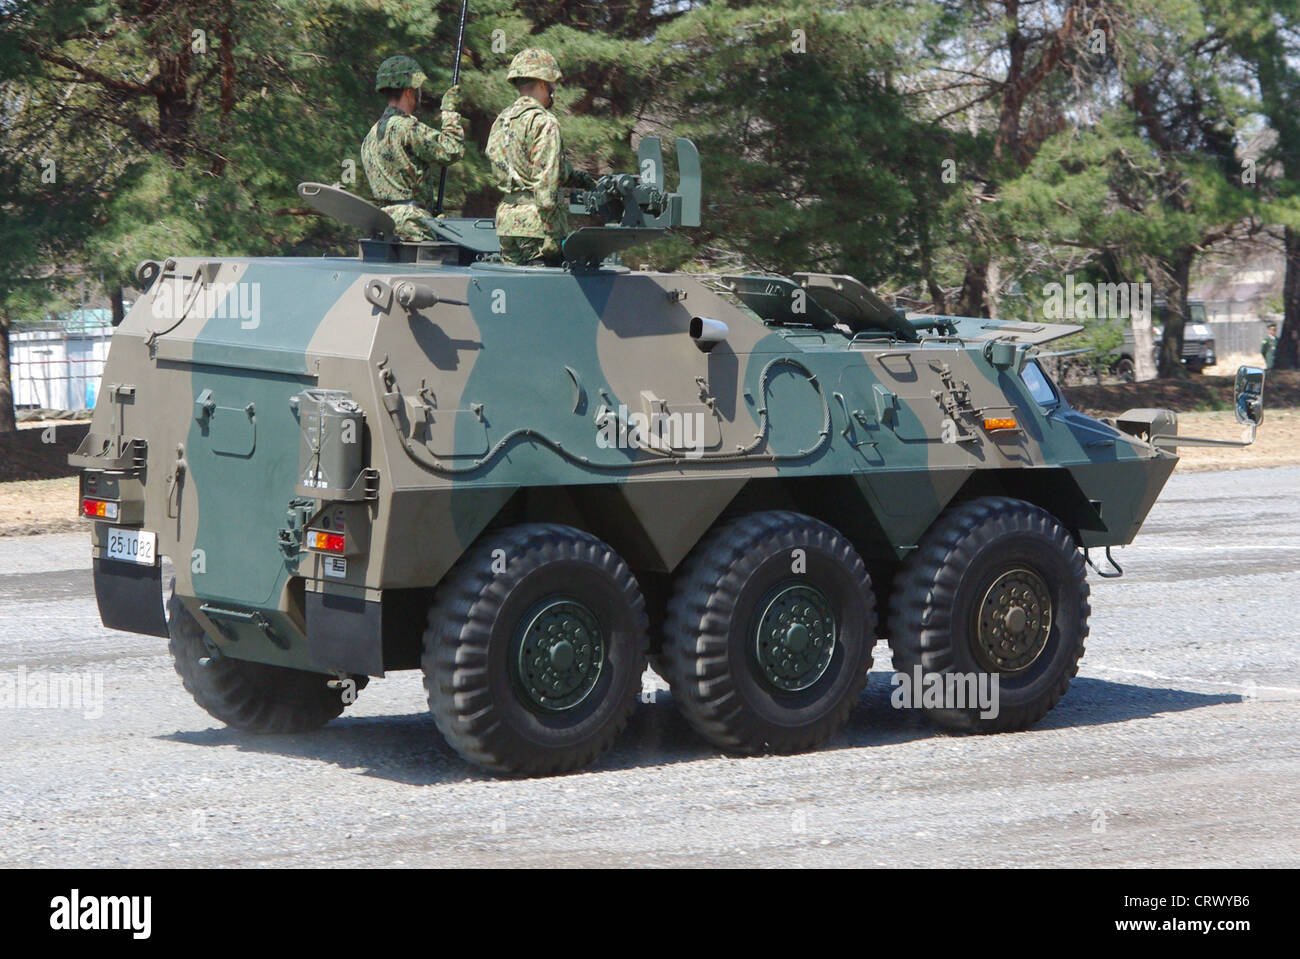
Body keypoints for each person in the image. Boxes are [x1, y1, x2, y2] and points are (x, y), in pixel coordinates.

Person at [486, 48, 595, 266]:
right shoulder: (544, 121)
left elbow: (509, 166)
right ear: (545, 84)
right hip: (537, 227)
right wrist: (555, 235)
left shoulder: (502, 120)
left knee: (514, 290)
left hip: (507, 222)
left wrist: (576, 177)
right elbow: (546, 188)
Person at [361, 55, 465, 241]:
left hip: (381, 224)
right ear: (409, 91)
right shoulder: (407, 127)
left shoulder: (370, 135)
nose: (420, 94)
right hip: (412, 225)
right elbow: (452, 150)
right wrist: (450, 113)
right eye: (418, 89)